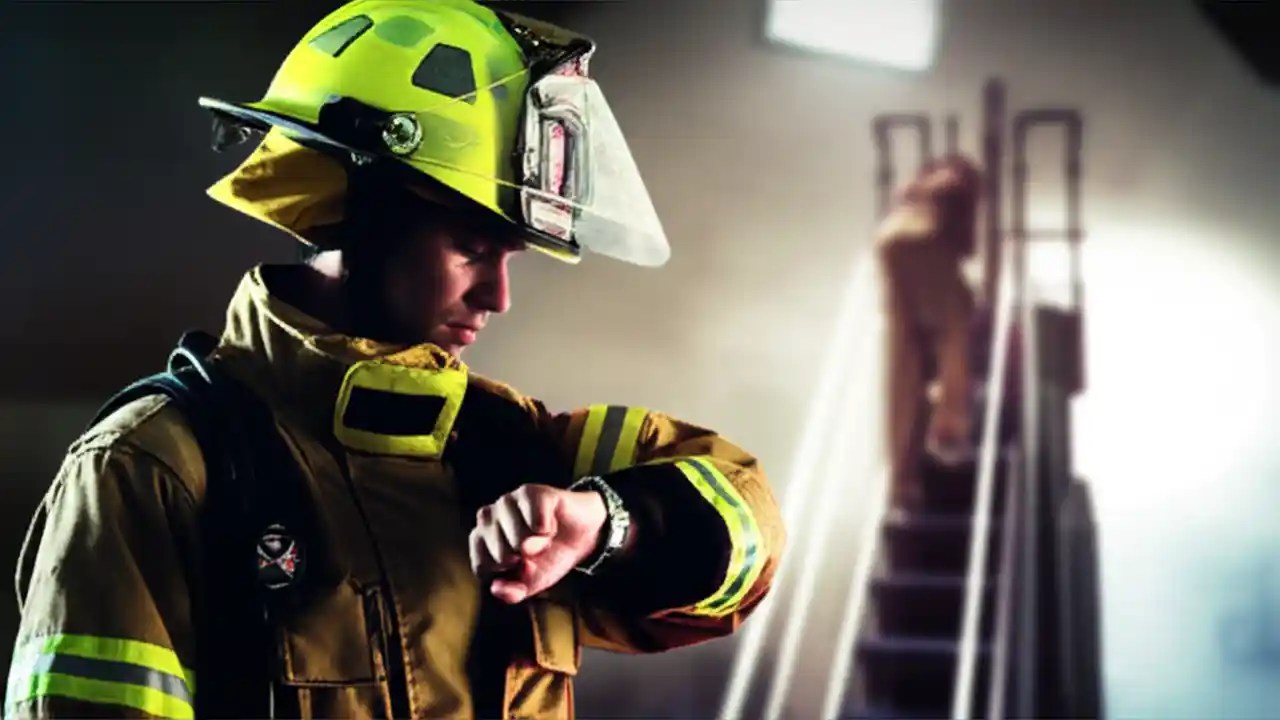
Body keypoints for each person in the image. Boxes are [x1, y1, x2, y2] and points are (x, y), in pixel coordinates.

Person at [4, 3, 786, 718]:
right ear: (363, 212)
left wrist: (606, 522)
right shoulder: (155, 470)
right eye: (473, 248)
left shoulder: (508, 447)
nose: (498, 296)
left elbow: (748, 524)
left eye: (509, 255)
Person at [874, 155, 983, 509]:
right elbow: (967, 246)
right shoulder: (954, 187)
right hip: (923, 245)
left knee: (904, 365)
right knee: (954, 334)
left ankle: (902, 479)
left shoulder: (912, 193)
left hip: (890, 244)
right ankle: (950, 426)